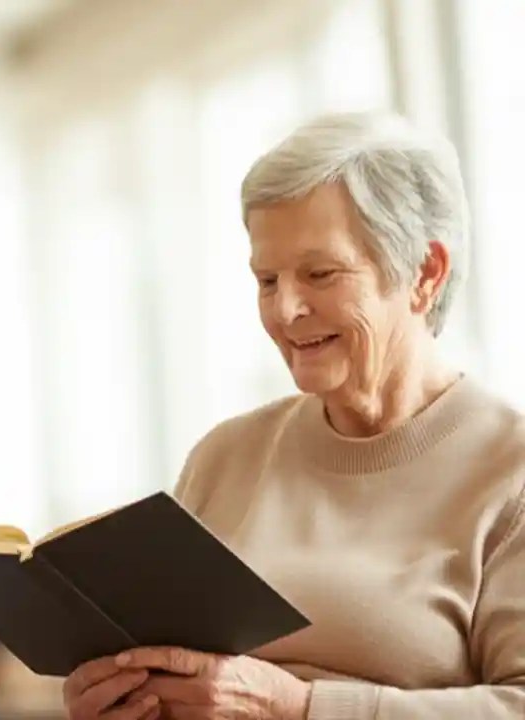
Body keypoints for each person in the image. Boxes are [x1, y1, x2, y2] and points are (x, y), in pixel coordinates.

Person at [64, 112, 525, 719]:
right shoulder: (225, 457)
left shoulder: (509, 472)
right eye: (266, 280)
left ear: (424, 273)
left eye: (320, 274)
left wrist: (299, 707)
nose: (285, 310)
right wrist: (122, 698)